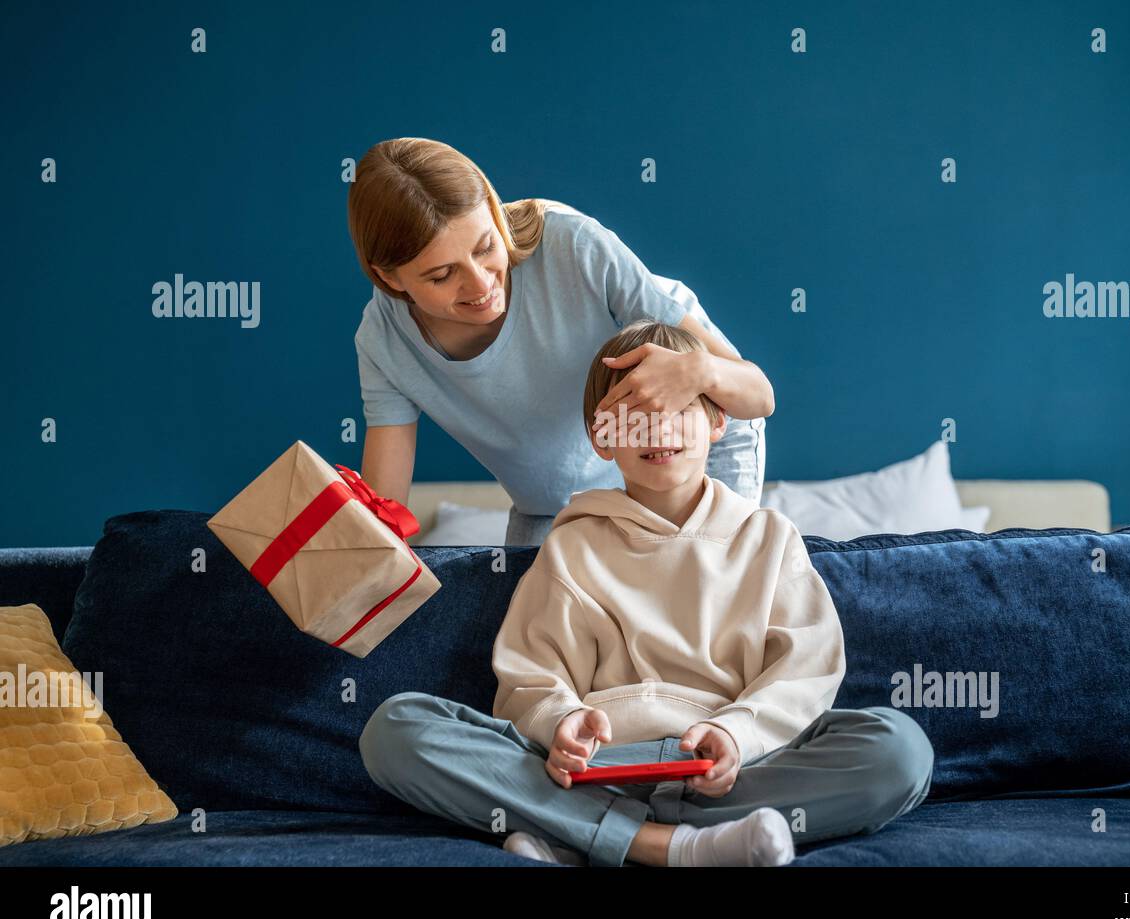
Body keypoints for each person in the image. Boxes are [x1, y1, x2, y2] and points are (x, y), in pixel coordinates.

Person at [357, 322, 934, 867]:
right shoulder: (573, 545)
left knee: (901, 750)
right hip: (596, 770)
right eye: (631, 412)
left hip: (728, 773)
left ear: (718, 422)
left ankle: (576, 835)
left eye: (679, 406)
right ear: (601, 440)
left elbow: (806, 671)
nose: (657, 428)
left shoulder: (769, 539)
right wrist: (562, 722)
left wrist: (736, 733)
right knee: (396, 727)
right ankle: (671, 847)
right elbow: (532, 672)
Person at [347, 137, 771, 546]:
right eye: (442, 275)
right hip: (551, 505)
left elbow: (758, 396)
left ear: (495, 215)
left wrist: (697, 370)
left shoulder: (574, 246)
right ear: (388, 278)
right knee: (531, 609)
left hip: (689, 456)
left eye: (486, 246)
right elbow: (383, 521)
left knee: (697, 587)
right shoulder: (384, 343)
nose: (480, 284)